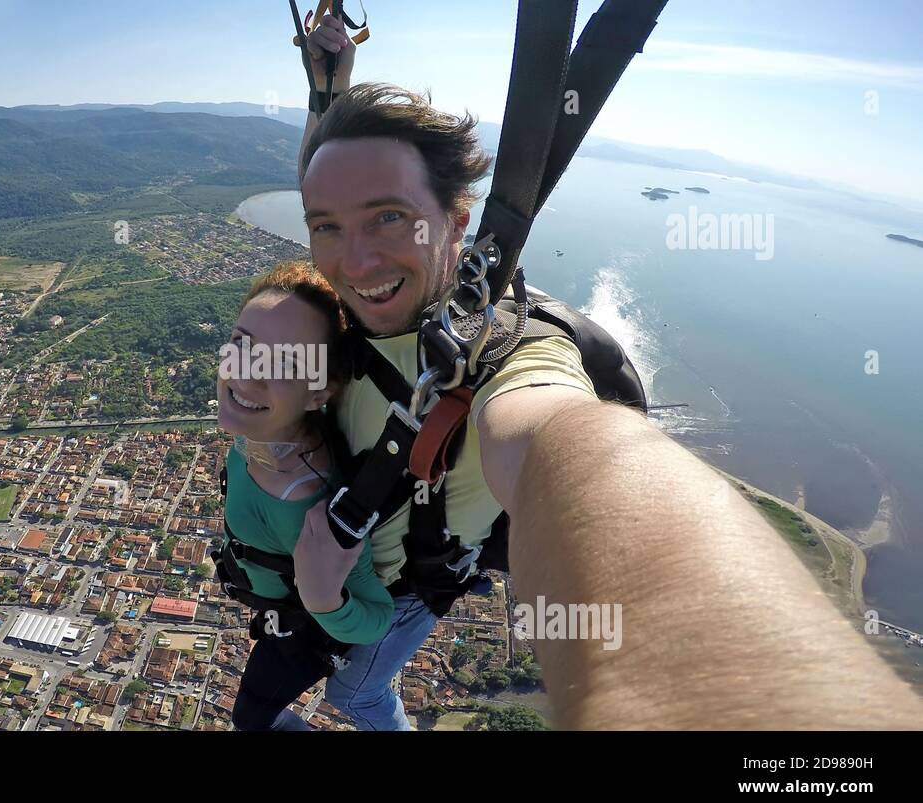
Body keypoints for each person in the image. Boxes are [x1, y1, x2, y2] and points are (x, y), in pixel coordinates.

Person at [288, 13, 923, 729]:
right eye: (327, 227)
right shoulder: (356, 306)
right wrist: (329, 92)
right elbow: (326, 194)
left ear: (458, 222)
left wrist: (763, 703)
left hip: (397, 590)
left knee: (358, 696)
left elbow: (573, 449)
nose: (355, 261)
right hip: (341, 562)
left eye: (390, 218)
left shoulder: (508, 358)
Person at [217, 261, 394, 731]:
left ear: (320, 393)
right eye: (241, 345)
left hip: (304, 633)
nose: (246, 375)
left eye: (285, 363)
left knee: (252, 720)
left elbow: (377, 618)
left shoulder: (312, 503)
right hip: (280, 610)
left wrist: (322, 600)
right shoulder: (261, 432)